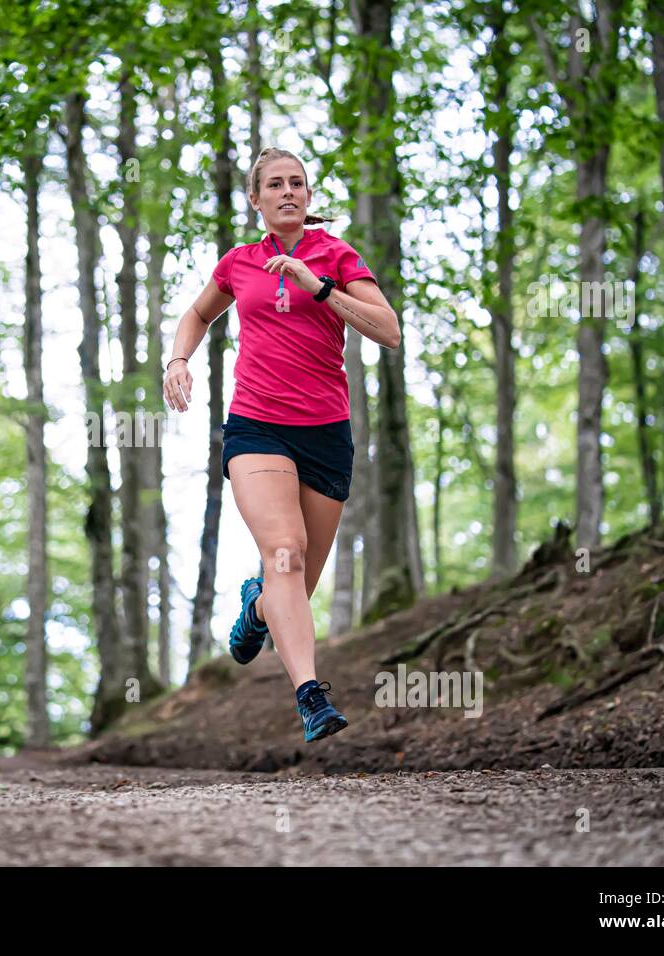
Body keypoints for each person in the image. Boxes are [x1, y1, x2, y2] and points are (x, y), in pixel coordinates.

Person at [162, 146, 401, 742]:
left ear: (309, 197)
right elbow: (196, 315)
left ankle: (256, 608)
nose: (288, 192)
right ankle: (311, 695)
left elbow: (388, 331)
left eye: (298, 183)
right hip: (256, 426)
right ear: (257, 199)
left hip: (325, 433)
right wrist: (178, 360)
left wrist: (317, 287)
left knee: (290, 583)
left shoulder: (337, 256)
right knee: (285, 552)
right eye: (275, 184)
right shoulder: (238, 262)